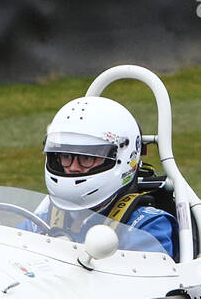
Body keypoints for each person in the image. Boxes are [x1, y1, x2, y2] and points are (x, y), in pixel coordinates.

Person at [34, 95, 176, 258]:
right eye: (66, 157)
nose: (73, 168)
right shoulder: (43, 217)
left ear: (123, 157)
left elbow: (149, 279)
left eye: (87, 158)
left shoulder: (147, 225)